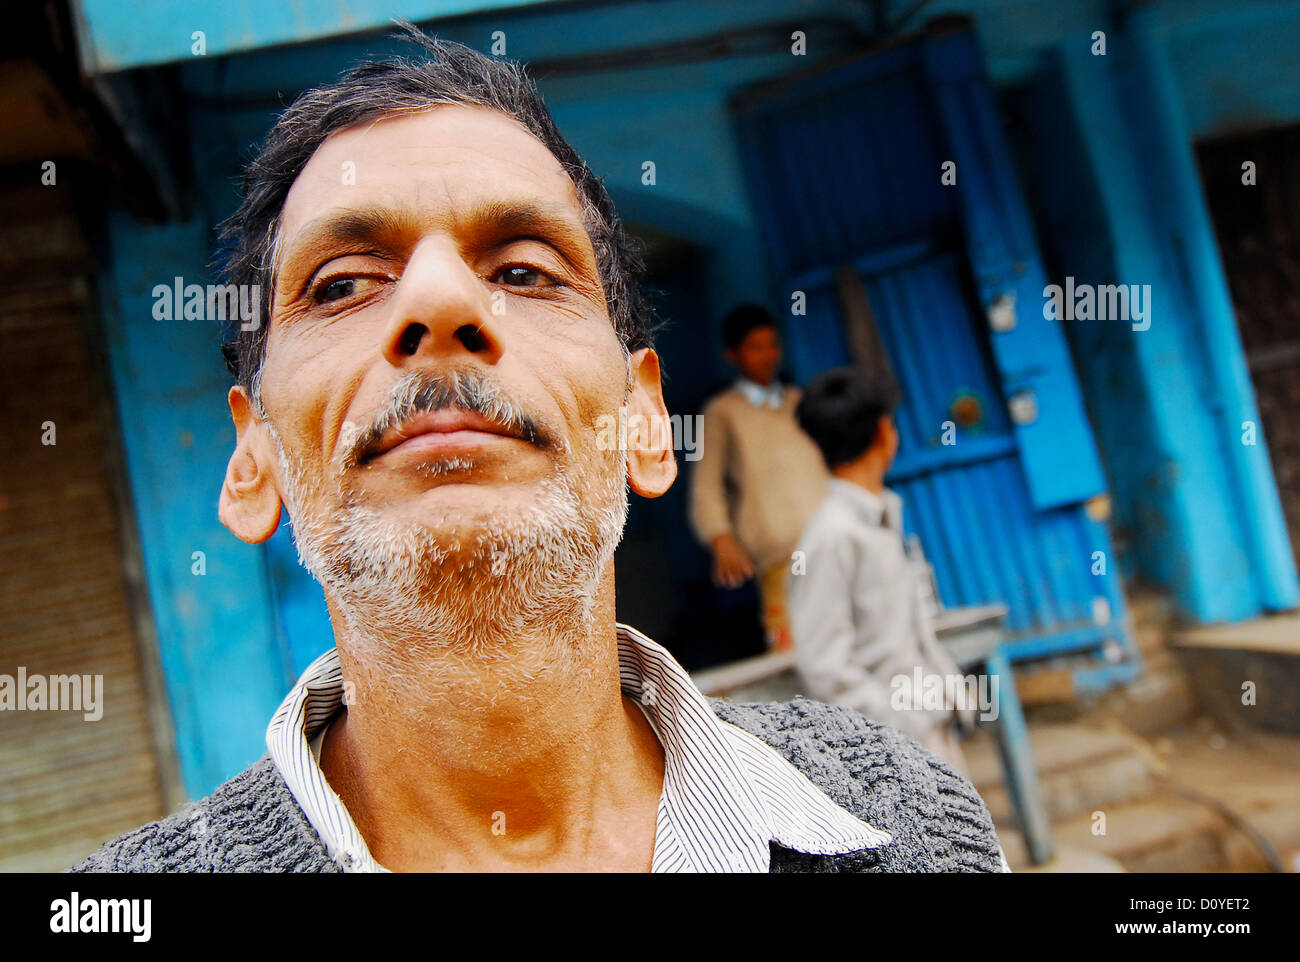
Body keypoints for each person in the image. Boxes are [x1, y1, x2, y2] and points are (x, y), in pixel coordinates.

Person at [71, 26, 1003, 873]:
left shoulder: (913, 816)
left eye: (523, 271)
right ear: (254, 460)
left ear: (643, 421)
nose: (440, 307)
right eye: (345, 283)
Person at [790, 367, 972, 778]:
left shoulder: (878, 518)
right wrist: (905, 726)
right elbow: (826, 668)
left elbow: (911, 634)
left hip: (931, 735)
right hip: (899, 753)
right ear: (883, 433)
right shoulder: (832, 537)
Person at [688, 305, 828, 650]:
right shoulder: (723, 412)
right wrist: (721, 538)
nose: (768, 355)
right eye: (755, 347)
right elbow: (706, 484)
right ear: (732, 354)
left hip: (830, 548)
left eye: (772, 345)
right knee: (798, 664)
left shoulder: (799, 402)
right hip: (780, 562)